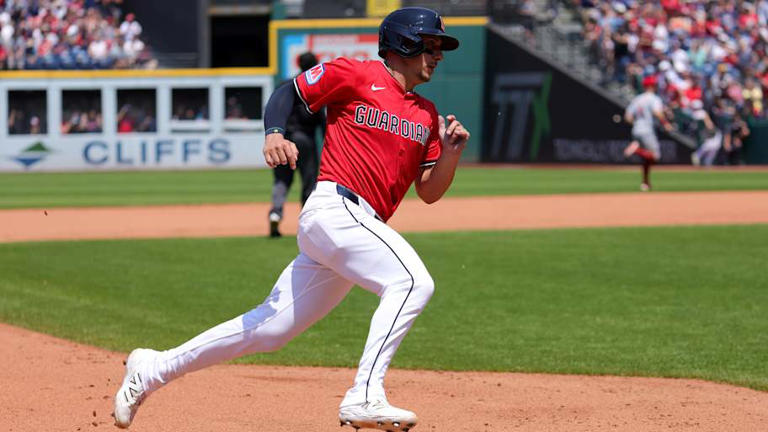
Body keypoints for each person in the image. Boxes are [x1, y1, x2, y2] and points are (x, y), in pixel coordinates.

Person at [113, 7, 470, 432]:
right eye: (431, 45)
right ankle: (365, 395)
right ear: (404, 43)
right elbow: (289, 93)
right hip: (334, 208)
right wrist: (274, 133)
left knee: (269, 329)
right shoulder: (355, 74)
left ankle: (152, 368)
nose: (438, 55)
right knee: (412, 281)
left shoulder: (427, 114)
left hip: (357, 225)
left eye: (439, 47)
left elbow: (429, 191)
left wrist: (450, 154)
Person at [268, 52, 325, 238]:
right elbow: (321, 120)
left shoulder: (285, 86)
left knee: (282, 180)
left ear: (299, 64)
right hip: (305, 141)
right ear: (315, 65)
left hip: (284, 140)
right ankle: (307, 225)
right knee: (308, 183)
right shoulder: (316, 89)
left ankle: (276, 212)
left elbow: (274, 110)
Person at [623, 75, 673, 191]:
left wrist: (636, 123)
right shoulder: (654, 98)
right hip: (647, 130)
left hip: (636, 130)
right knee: (655, 156)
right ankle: (636, 150)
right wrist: (665, 123)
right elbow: (657, 112)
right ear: (651, 86)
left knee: (647, 159)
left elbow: (628, 117)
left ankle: (645, 182)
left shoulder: (638, 98)